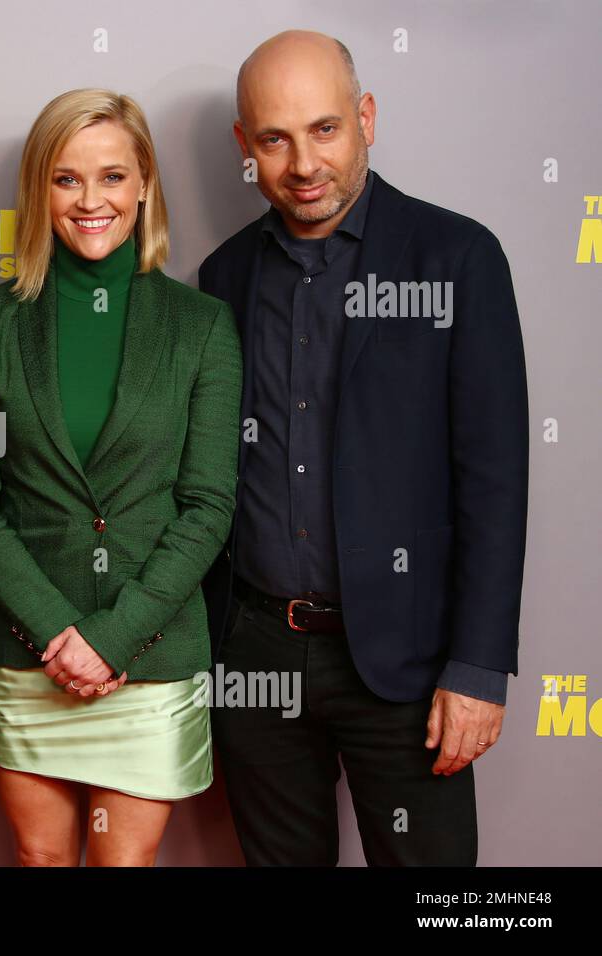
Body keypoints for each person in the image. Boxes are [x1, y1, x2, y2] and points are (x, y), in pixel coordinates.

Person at [199, 30, 529, 866]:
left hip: (410, 664)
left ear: (366, 119)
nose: (303, 162)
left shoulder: (457, 257)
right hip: (258, 655)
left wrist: (479, 667)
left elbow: (494, 478)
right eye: (274, 138)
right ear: (245, 146)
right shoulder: (223, 278)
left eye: (324, 129)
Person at [0, 89, 242, 867]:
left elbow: (207, 508)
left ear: (144, 186)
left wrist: (110, 640)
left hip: (151, 651)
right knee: (41, 862)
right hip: (23, 651)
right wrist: (56, 632)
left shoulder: (202, 326)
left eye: (112, 176)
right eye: (66, 179)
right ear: (39, 190)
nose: (90, 200)